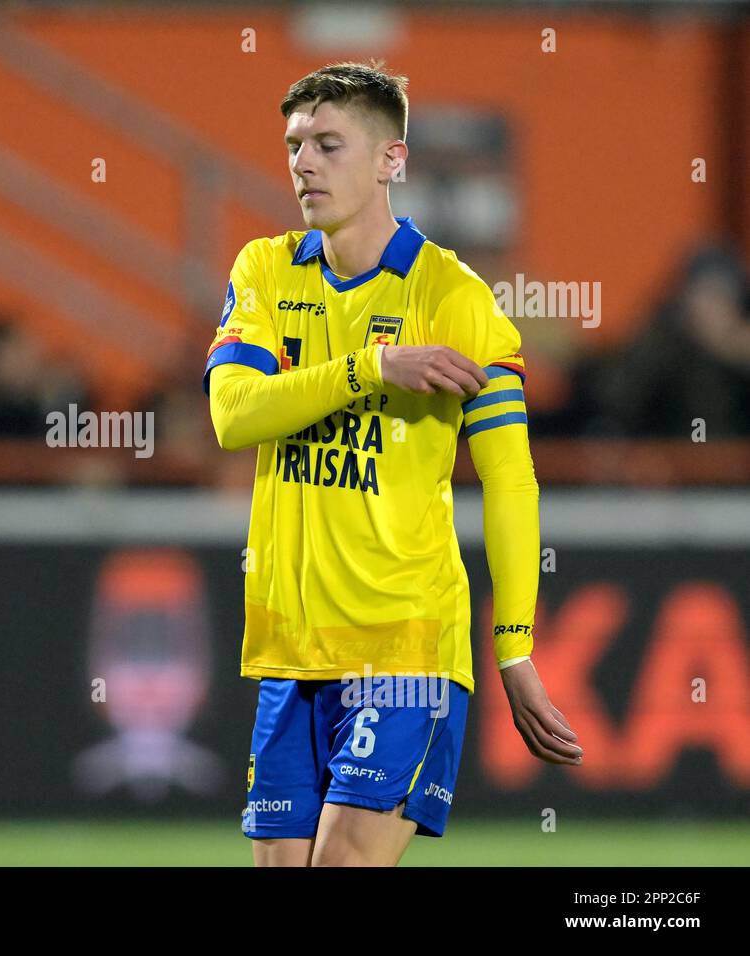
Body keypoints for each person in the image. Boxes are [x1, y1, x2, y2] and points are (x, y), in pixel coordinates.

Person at [204, 61, 581, 867]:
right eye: (294, 144)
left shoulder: (454, 298)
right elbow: (233, 417)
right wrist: (371, 369)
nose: (303, 163)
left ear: (392, 160)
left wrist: (512, 644)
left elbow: (511, 479)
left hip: (406, 648)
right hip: (291, 651)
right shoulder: (263, 272)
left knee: (343, 862)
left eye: (328, 144)